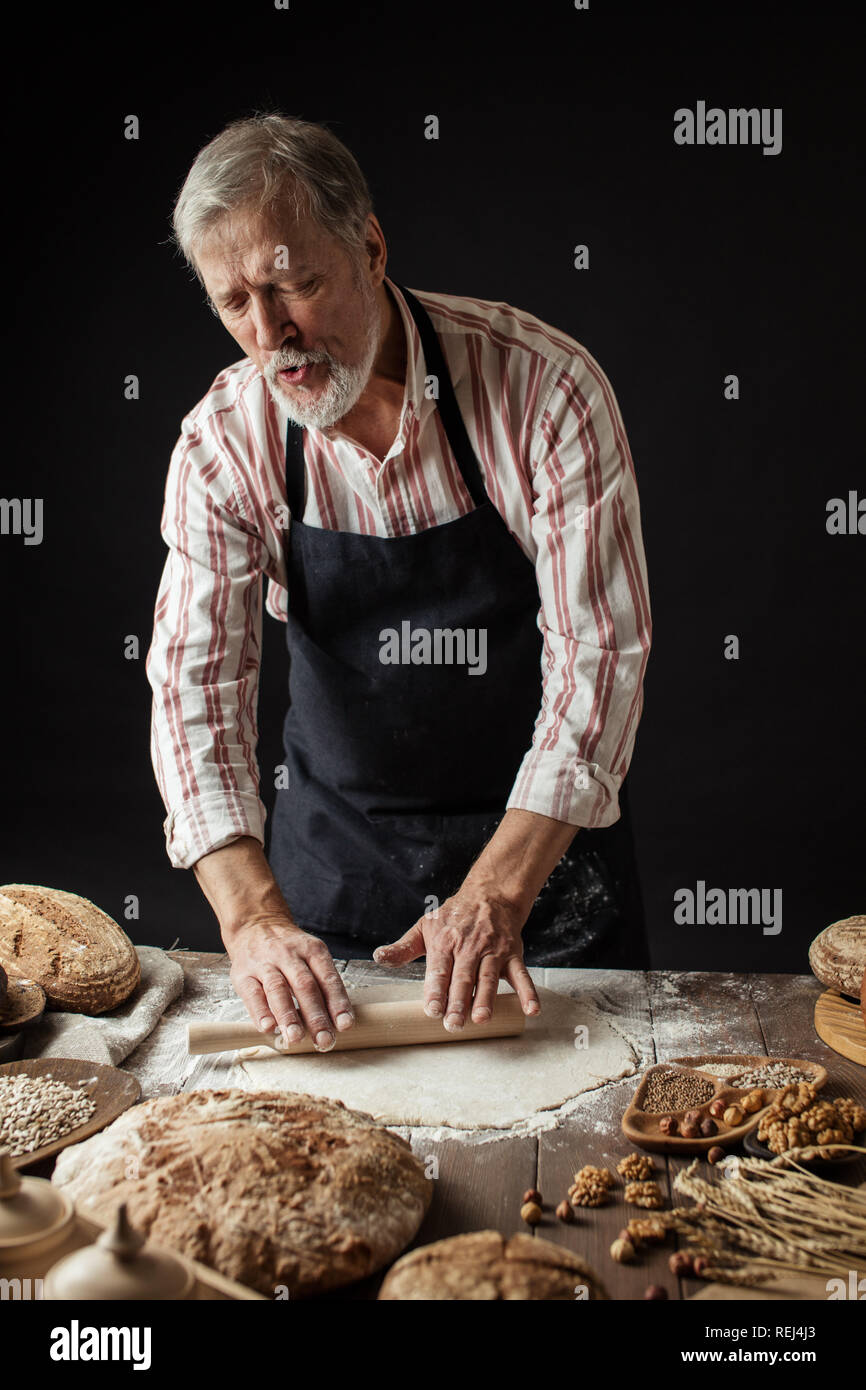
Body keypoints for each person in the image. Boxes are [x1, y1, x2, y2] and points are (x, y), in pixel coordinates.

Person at [146, 113, 652, 1053]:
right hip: (339, 895)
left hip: (549, 892)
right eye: (236, 305)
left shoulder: (543, 389)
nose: (273, 335)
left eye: (297, 284)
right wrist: (252, 920)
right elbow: (193, 696)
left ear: (371, 247)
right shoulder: (224, 443)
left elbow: (602, 661)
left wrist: (498, 890)